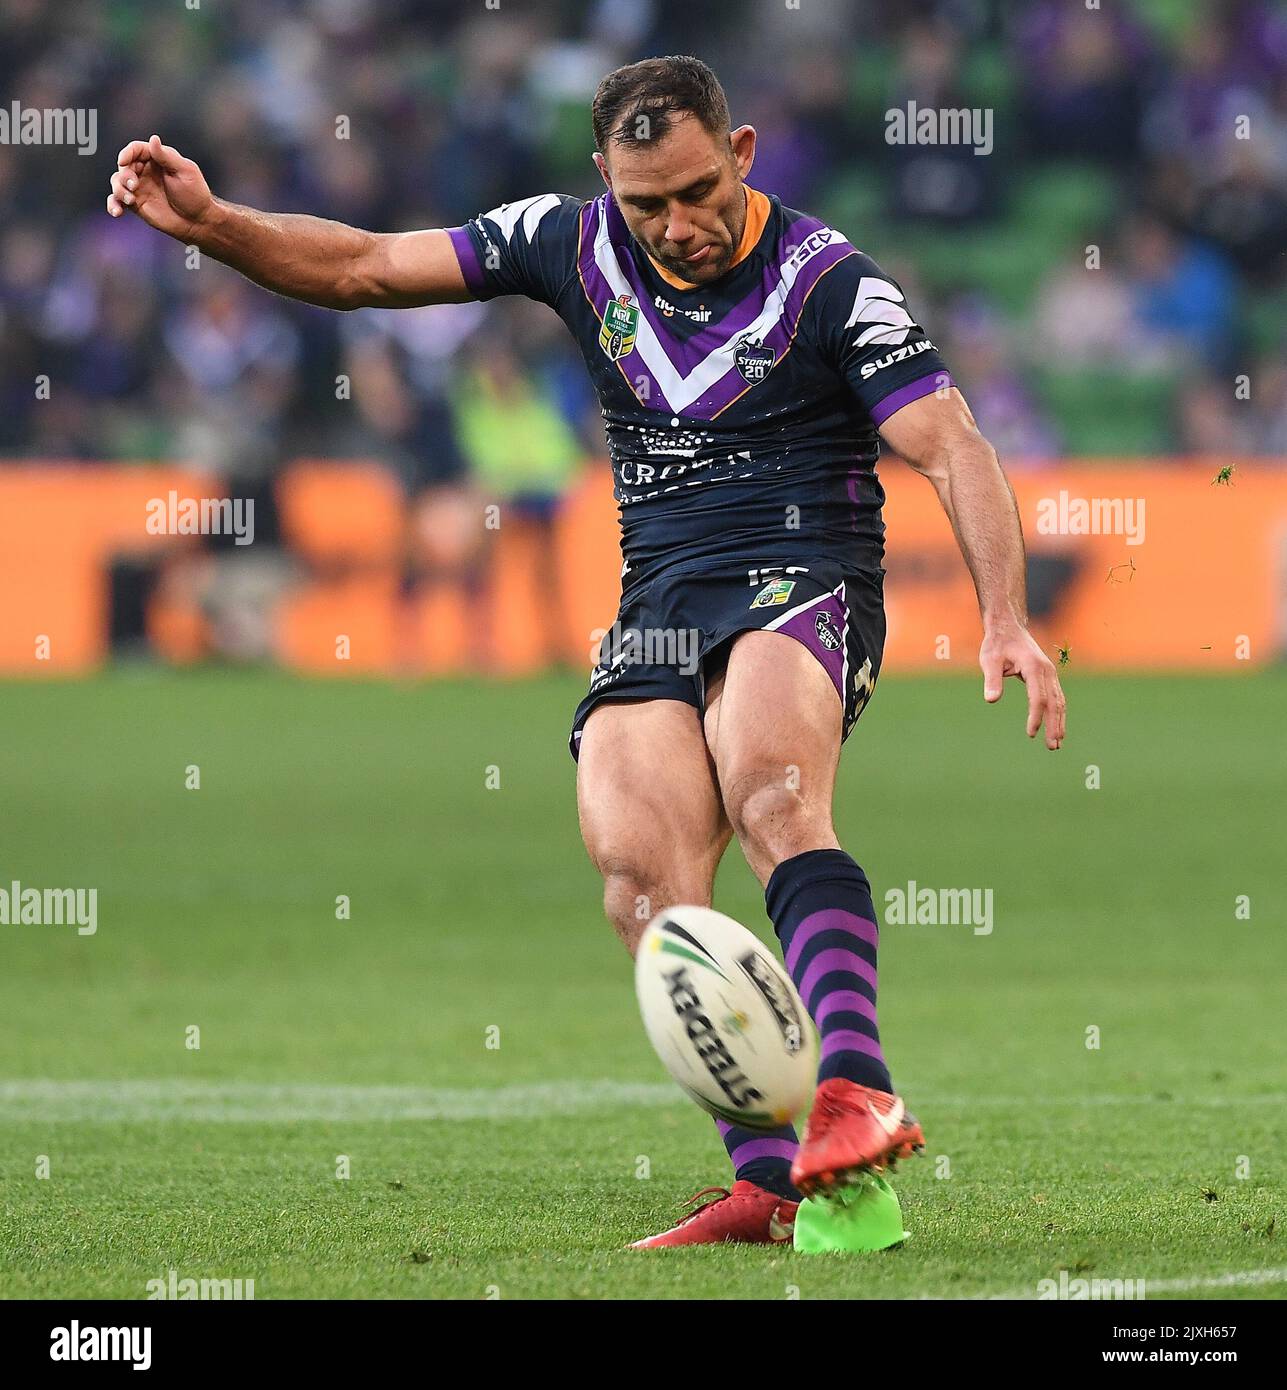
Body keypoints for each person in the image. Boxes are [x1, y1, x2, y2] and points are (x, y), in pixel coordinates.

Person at [107, 54, 1066, 1249]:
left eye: (698, 189)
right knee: (639, 877)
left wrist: (1005, 615)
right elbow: (362, 265)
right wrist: (212, 224)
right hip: (659, 595)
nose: (678, 224)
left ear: (745, 154)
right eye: (645, 202)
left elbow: (953, 443)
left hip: (802, 571)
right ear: (605, 182)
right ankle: (772, 1182)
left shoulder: (832, 284)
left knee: (770, 787)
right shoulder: (568, 242)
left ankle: (856, 1086)